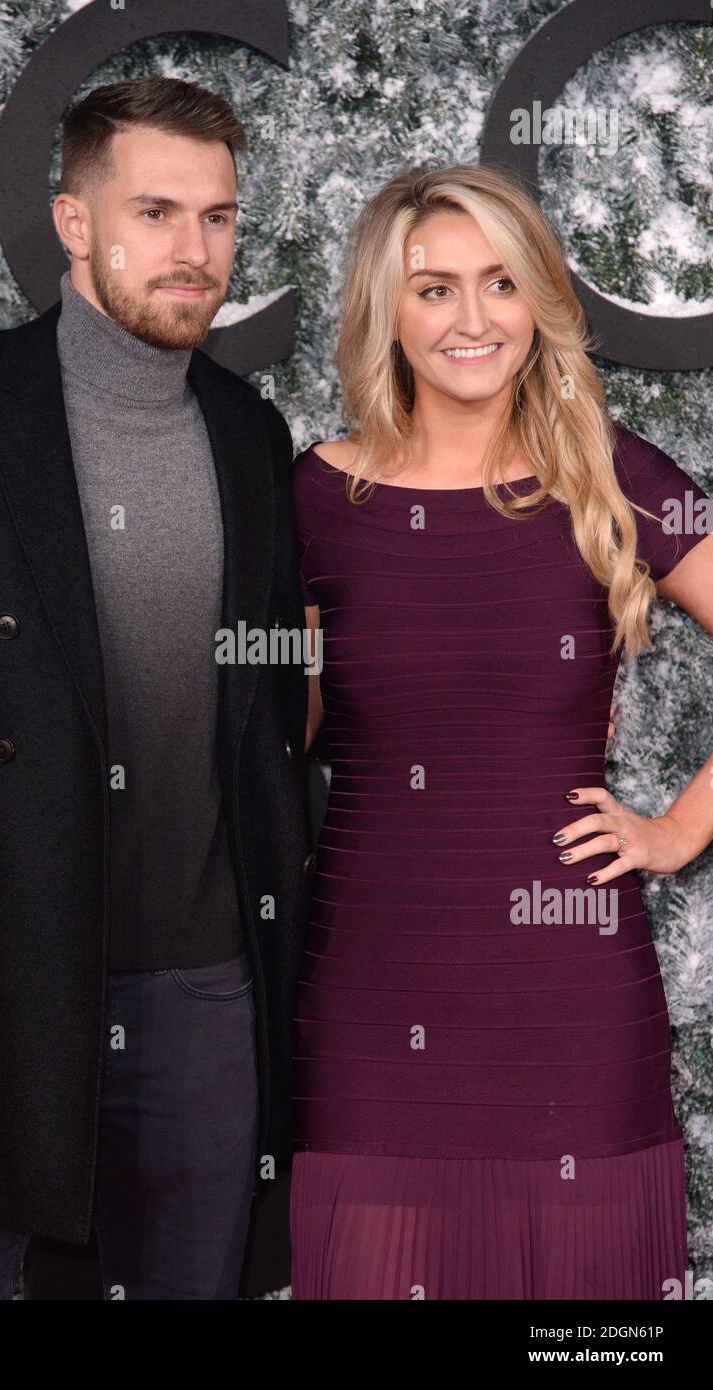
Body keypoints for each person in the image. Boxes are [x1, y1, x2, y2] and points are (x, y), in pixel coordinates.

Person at [0, 75, 312, 1299]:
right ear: (75, 222)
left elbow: (260, 717)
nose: (194, 250)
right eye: (155, 212)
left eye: (217, 217)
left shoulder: (251, 432)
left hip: (206, 991)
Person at [289, 163, 713, 1300]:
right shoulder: (314, 496)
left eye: (500, 283)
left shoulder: (615, 474)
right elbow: (267, 740)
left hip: (569, 999)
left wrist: (677, 828)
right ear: (385, 308)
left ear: (538, 301)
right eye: (433, 289)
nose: (472, 319)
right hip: (369, 1000)